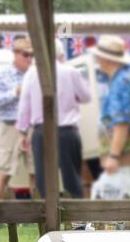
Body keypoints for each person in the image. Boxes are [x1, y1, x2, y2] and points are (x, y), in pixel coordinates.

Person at [16, 38, 91, 199]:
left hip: (41, 131)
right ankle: (77, 219)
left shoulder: (31, 73)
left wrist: (23, 132)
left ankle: (47, 218)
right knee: (72, 177)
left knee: (43, 179)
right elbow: (86, 97)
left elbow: (24, 106)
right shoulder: (71, 72)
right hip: (67, 131)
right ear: (61, 54)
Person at [94, 34, 130, 197]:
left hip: (126, 156)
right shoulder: (124, 78)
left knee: (129, 206)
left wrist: (113, 156)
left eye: (100, 55)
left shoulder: (121, 82)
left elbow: (122, 124)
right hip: (128, 155)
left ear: (107, 59)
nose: (97, 59)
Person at [0, 36, 34, 202]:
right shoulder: (3, 74)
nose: (29, 58)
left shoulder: (36, 73)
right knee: (4, 171)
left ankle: (41, 215)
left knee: (36, 172)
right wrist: (15, 92)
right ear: (15, 54)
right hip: (11, 126)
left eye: (32, 55)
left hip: (33, 127)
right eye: (25, 55)